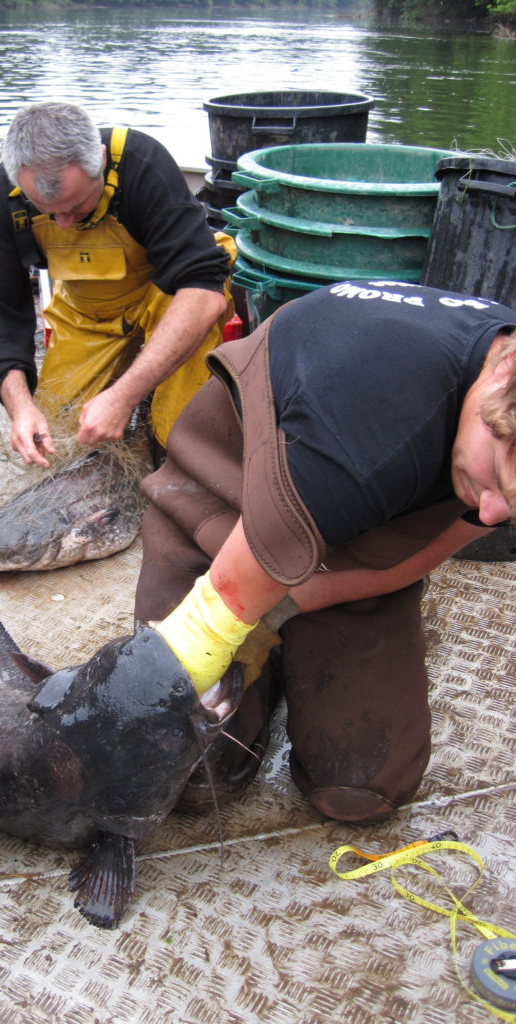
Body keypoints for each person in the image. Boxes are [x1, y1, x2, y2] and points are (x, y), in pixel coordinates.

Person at [129, 279, 516, 822]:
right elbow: (212, 616)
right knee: (189, 773)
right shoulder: (382, 413)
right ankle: (245, 648)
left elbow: (423, 552)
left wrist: (284, 612)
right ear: (505, 370)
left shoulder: (501, 424)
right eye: (495, 478)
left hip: (359, 540)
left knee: (362, 789)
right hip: (228, 496)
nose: (494, 514)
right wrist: (192, 658)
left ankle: (286, 653)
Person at [0, 102, 236, 468]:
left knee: (179, 423)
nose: (64, 224)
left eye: (79, 206)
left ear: (98, 160)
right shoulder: (3, 196)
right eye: (49, 212)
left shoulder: (142, 163)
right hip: (90, 311)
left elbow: (202, 291)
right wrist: (20, 407)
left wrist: (124, 395)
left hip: (167, 296)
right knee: (61, 438)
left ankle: (170, 455)